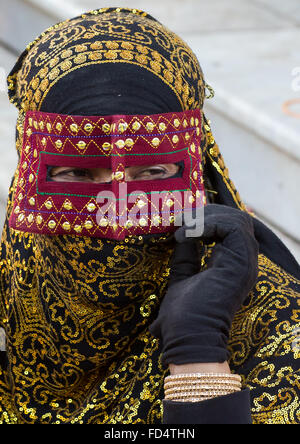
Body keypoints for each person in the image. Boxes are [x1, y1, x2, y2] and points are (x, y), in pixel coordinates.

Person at [0, 7, 299, 425]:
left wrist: (198, 357)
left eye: (151, 173)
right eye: (78, 173)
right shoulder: (14, 271)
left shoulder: (272, 322)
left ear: (196, 162)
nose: (115, 220)